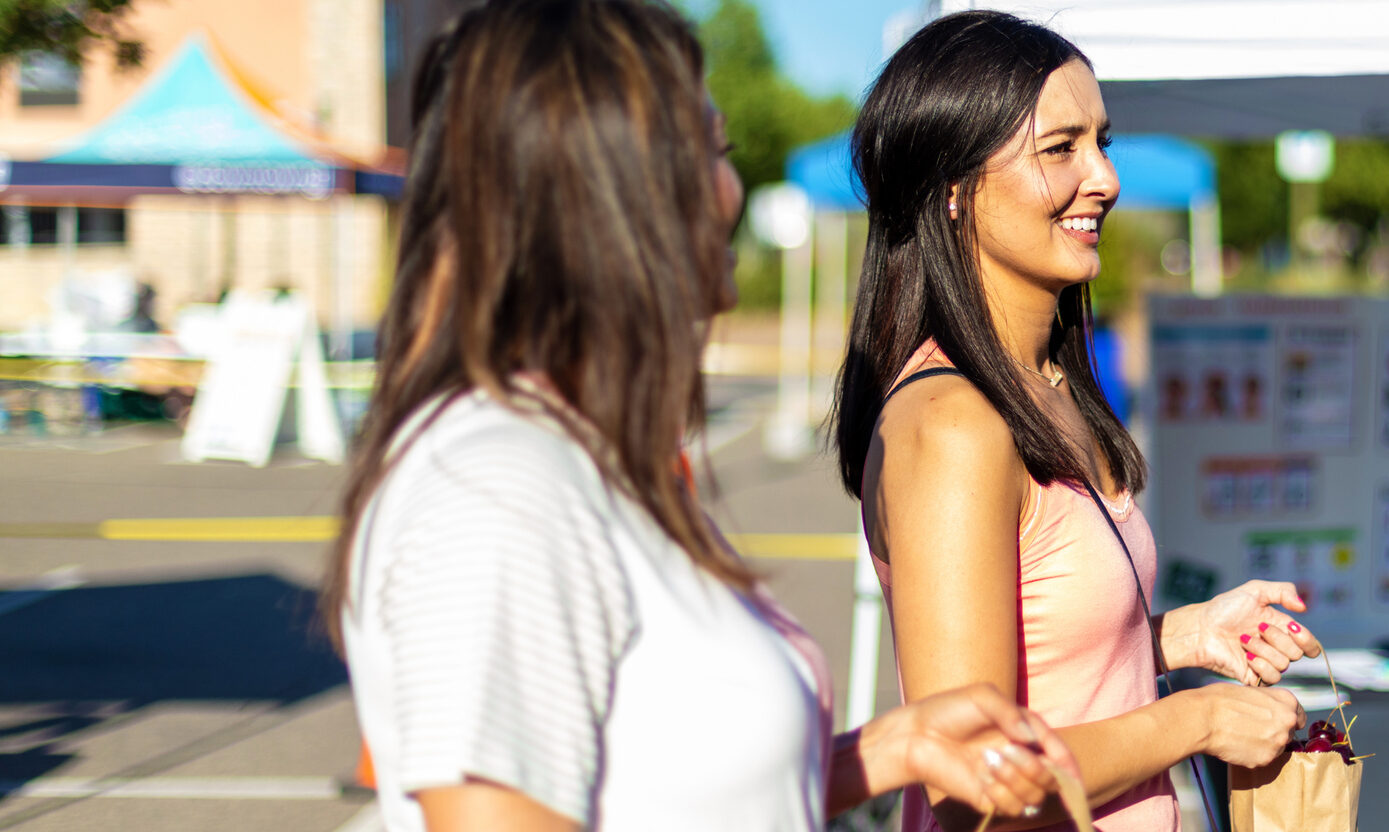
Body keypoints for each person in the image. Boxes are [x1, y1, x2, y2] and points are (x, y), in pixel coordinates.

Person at [319, 2, 1080, 831]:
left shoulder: (580, 457)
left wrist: (889, 749)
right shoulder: (498, 485)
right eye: (710, 151)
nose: (731, 187)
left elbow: (666, 790)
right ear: (600, 184)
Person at [831, 11, 1319, 832]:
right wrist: (1194, 721)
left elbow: (1050, 671)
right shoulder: (950, 422)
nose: (1103, 177)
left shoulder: (1044, 381)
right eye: (1058, 148)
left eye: (1101, 141)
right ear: (951, 187)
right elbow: (974, 786)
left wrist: (1182, 636)